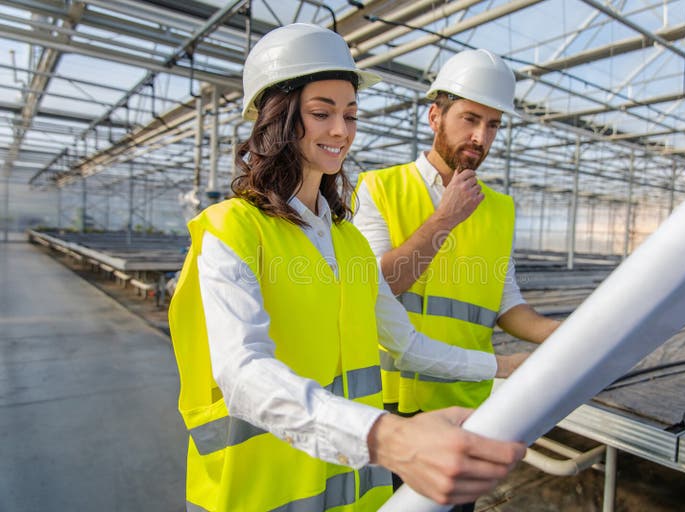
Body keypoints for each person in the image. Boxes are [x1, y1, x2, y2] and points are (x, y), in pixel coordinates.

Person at [168, 24, 526, 512]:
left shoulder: (350, 245)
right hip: (255, 496)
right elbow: (243, 372)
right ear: (277, 118)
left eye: (351, 115)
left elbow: (407, 346)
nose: (341, 130)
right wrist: (389, 438)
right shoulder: (231, 230)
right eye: (321, 113)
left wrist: (504, 368)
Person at [354, 49, 561, 417]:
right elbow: (377, 286)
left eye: (493, 124)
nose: (481, 137)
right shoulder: (379, 188)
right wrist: (445, 218)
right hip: (387, 399)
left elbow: (506, 303)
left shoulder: (499, 209)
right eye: (470, 119)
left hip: (466, 400)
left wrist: (565, 334)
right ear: (435, 116)